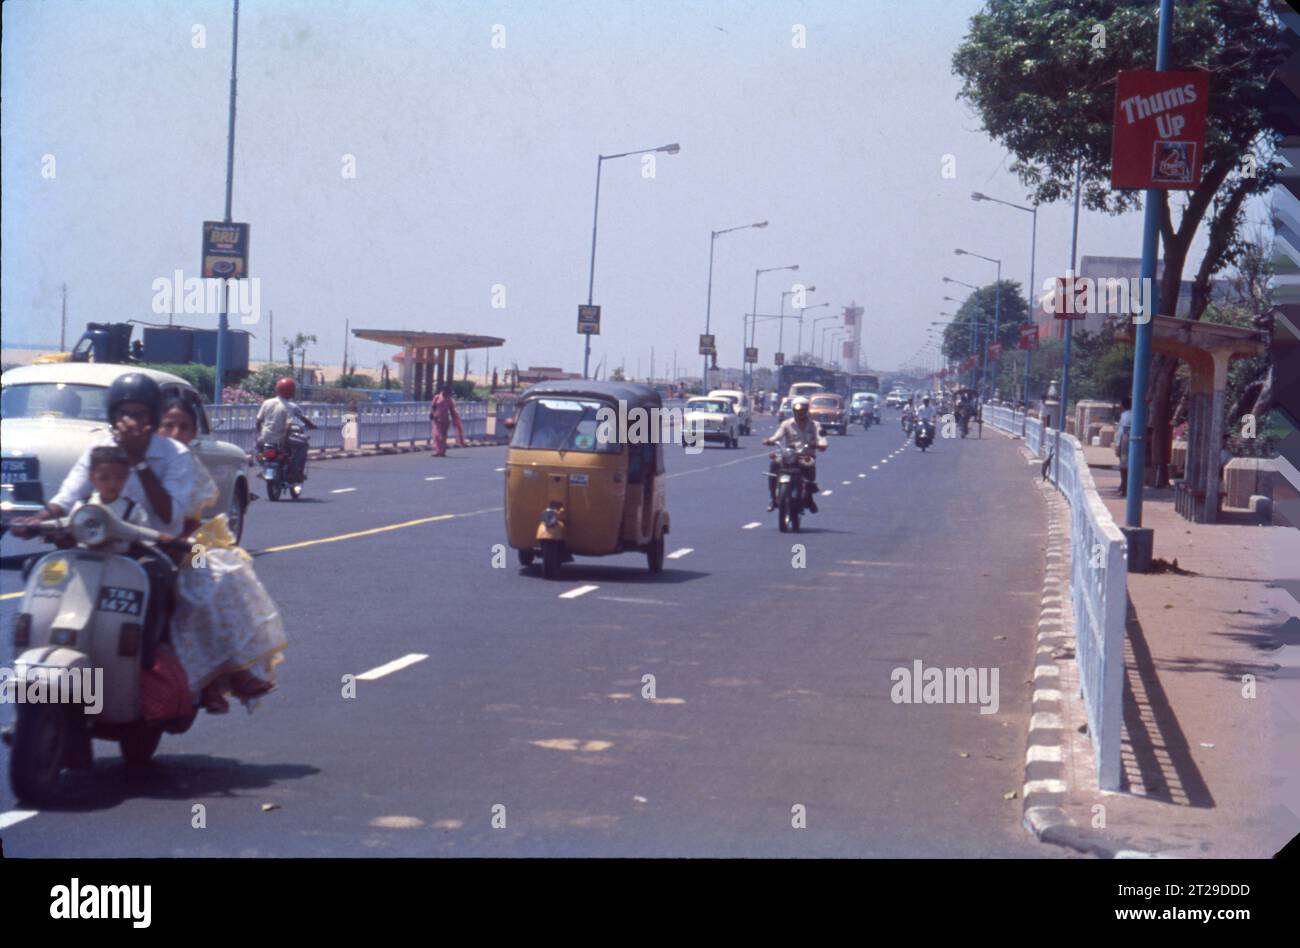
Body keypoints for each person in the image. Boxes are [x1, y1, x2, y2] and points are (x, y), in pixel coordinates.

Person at [13, 373, 195, 668]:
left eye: (139, 414)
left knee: (157, 582)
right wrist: (38, 519)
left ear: (153, 417)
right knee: (35, 568)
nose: (131, 421)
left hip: (149, 549)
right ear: (113, 416)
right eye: (124, 413)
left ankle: (144, 663)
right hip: (91, 544)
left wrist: (139, 460)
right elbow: (69, 496)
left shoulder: (176, 455)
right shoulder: (99, 449)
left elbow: (170, 517)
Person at [158, 398, 286, 714]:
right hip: (127, 542)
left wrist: (177, 543)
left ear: (194, 433)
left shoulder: (190, 465)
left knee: (207, 581)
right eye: (168, 425)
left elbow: (189, 522)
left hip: (191, 543)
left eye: (184, 427)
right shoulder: (131, 456)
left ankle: (217, 678)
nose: (175, 432)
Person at [762, 396, 827, 513]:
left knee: (809, 470)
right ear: (793, 411)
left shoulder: (815, 425)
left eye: (802, 411)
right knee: (773, 466)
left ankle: (809, 498)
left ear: (807, 410)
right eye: (797, 411)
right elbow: (777, 436)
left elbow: (821, 438)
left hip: (805, 457)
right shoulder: (787, 424)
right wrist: (770, 441)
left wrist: (820, 445)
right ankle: (773, 498)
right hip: (789, 456)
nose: (800, 413)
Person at [256, 377, 317, 478]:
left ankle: (263, 468)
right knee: (303, 445)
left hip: (264, 437)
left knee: (258, 450)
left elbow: (258, 421)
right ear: (292, 391)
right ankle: (293, 472)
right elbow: (291, 424)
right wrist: (312, 426)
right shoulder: (291, 406)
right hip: (280, 439)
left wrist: (260, 434)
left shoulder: (267, 402)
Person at [430, 383, 466, 457]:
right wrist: (432, 414)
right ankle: (438, 451)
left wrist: (455, 419)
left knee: (443, 436)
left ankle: (442, 452)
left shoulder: (450, 400)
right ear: (444, 390)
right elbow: (433, 406)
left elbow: (453, 410)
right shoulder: (437, 397)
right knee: (437, 435)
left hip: (445, 419)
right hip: (437, 418)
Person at [1115, 395, 1133, 497]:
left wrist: (1117, 445)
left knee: (1123, 466)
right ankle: (1124, 486)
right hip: (1132, 442)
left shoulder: (1125, 416)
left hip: (1125, 442)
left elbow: (1121, 432)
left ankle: (1124, 487)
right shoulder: (1135, 414)